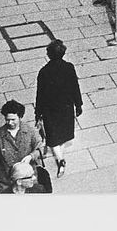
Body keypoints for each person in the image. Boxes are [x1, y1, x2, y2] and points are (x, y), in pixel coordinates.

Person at [35, 39, 83, 178]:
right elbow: (75, 87)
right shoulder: (69, 67)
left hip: (50, 110)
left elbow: (40, 95)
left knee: (52, 137)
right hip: (66, 108)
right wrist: (78, 104)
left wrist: (38, 113)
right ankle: (61, 158)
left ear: (49, 54)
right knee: (62, 135)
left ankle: (61, 160)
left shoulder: (44, 72)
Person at [0, 99, 44, 194]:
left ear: (20, 117)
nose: (10, 123)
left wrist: (31, 156)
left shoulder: (30, 132)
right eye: (7, 119)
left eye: (13, 119)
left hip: (27, 181)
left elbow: (42, 148)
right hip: (6, 184)